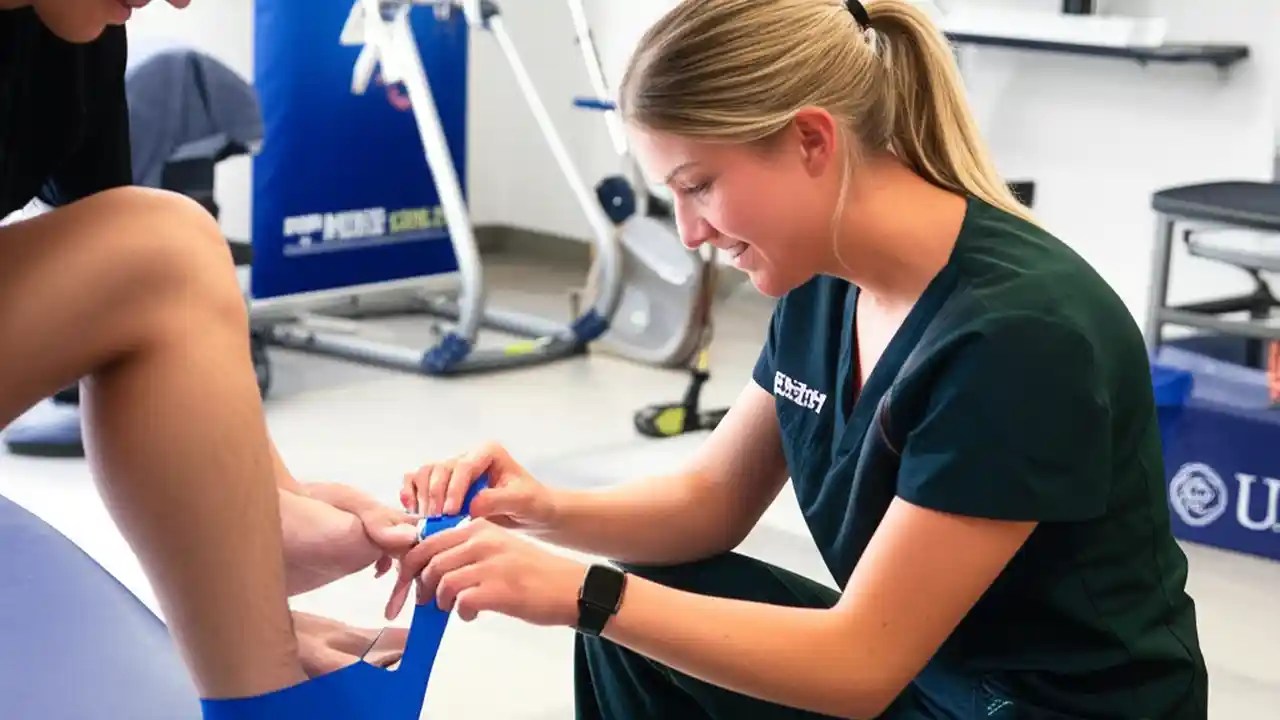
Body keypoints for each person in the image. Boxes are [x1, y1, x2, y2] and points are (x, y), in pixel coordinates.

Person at [391, 0, 1208, 718]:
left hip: (1037, 709)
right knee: (647, 611)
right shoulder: (824, 282)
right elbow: (710, 500)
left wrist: (581, 595)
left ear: (812, 139)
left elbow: (858, 669)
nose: (688, 233)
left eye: (700, 185)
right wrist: (537, 508)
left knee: (620, 609)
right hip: (931, 679)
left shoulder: (1021, 339)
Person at [0, 0, 419, 700]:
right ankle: (268, 691)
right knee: (166, 244)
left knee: (164, 246)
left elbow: (150, 296)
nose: (183, 0)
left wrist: (267, 499)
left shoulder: (77, 33)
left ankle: (263, 686)